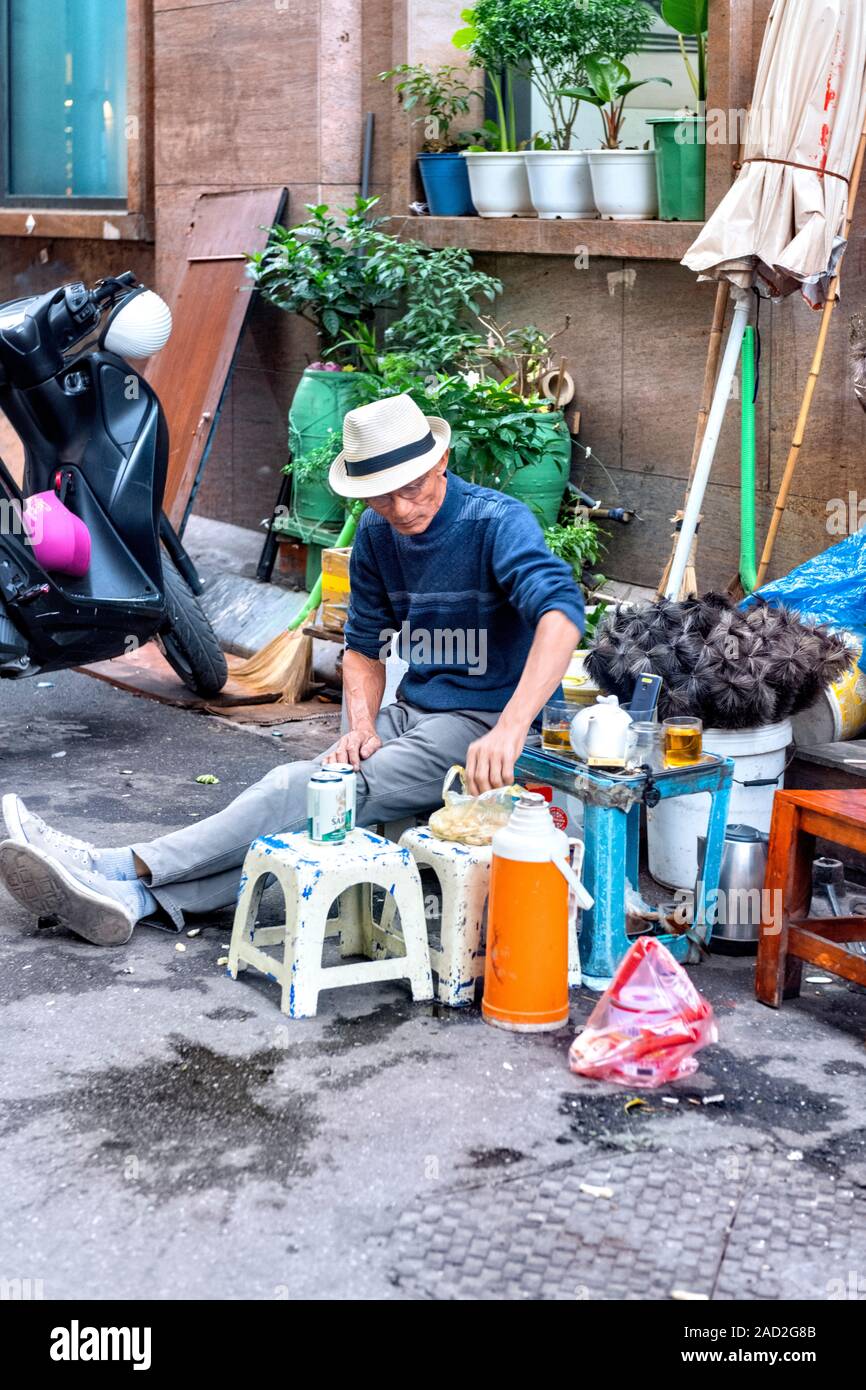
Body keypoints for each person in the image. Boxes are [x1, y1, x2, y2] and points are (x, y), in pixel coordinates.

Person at [0, 392, 583, 947]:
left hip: (481, 721)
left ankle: (118, 863)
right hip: (416, 711)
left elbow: (562, 614)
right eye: (381, 497)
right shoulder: (380, 533)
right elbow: (361, 646)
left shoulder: (496, 522)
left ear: (442, 462)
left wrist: (509, 728)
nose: (401, 510)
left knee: (302, 789)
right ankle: (135, 901)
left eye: (411, 489)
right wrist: (360, 725)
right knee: (313, 817)